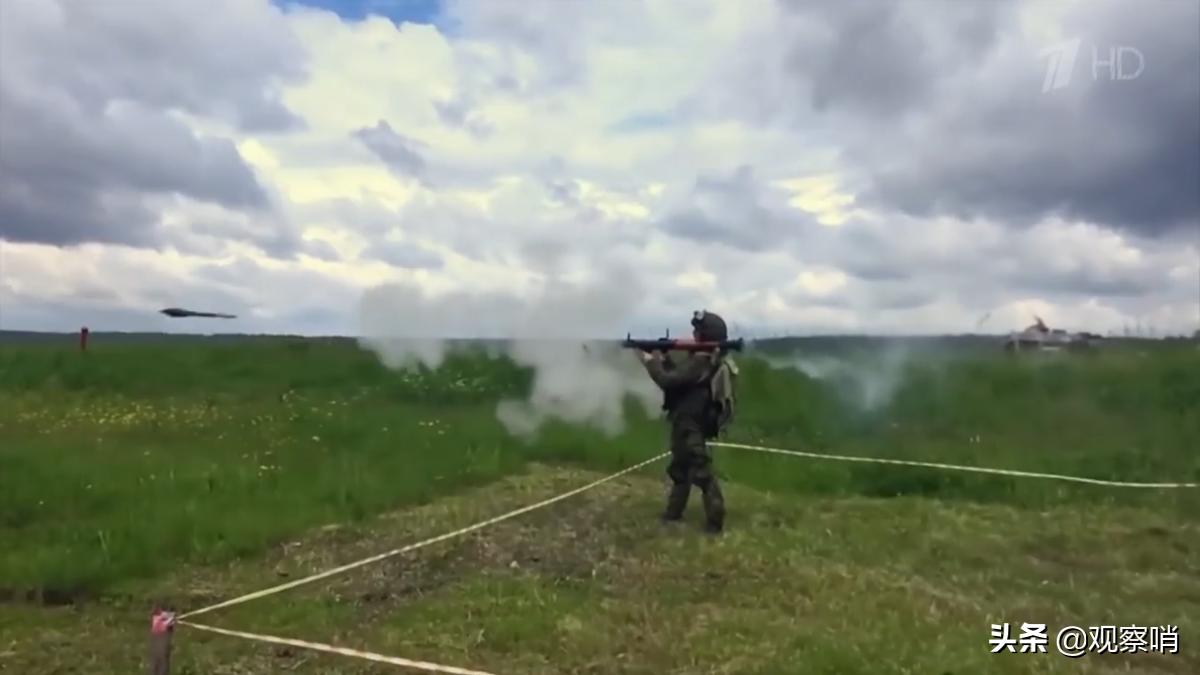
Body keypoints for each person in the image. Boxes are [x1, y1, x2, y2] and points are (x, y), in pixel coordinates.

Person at [636, 310, 729, 534]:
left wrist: (651, 362)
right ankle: (673, 513)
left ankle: (715, 521)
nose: (693, 334)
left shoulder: (702, 360)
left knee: (701, 471)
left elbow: (668, 381)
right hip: (684, 421)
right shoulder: (702, 360)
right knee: (680, 468)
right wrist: (665, 359)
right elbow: (680, 381)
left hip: (690, 423)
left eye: (698, 331)